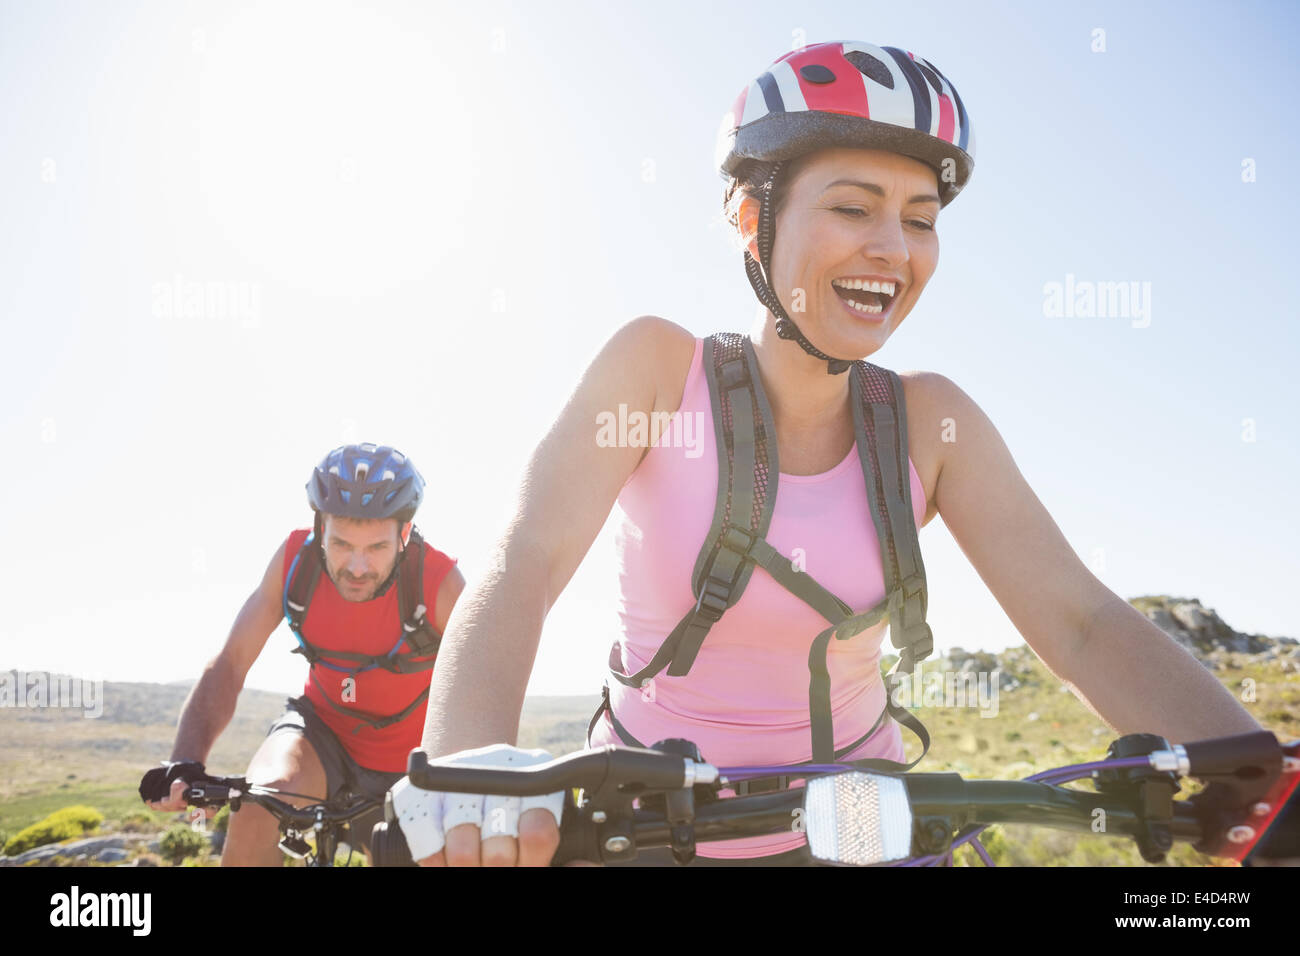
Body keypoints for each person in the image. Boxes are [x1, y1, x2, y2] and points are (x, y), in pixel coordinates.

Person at [389, 40, 1263, 867]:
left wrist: (1258, 782)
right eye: (852, 208)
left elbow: (1080, 622)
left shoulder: (931, 420)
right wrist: (468, 772)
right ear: (748, 217)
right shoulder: (657, 369)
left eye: (919, 220)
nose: (892, 248)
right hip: (653, 821)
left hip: (856, 811)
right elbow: (525, 561)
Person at [139, 443, 465, 865]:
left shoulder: (439, 584)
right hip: (321, 737)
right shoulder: (296, 563)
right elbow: (231, 662)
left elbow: (487, 691)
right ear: (320, 526)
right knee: (258, 802)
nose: (358, 566)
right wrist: (185, 760)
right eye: (342, 544)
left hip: (414, 761)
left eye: (377, 548)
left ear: (404, 535)